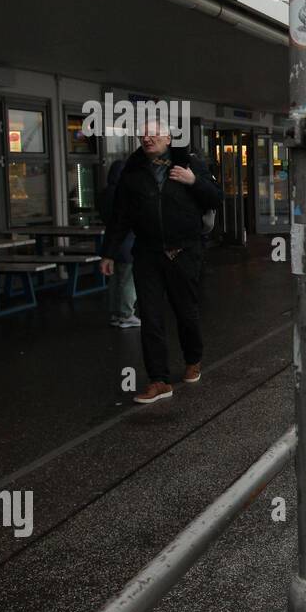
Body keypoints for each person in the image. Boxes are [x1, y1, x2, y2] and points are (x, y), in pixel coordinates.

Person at [99, 122, 222, 404]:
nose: (147, 137)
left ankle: (193, 360)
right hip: (148, 253)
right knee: (151, 318)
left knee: (185, 311)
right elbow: (120, 216)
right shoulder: (133, 171)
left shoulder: (189, 163)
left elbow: (216, 197)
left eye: (154, 133)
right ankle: (159, 380)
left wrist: (194, 181)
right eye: (143, 134)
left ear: (168, 138)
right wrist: (109, 253)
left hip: (184, 252)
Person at [97, 159, 139, 328]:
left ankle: (115, 313)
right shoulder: (125, 193)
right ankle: (126, 313)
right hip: (128, 241)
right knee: (128, 279)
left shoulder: (104, 193)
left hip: (110, 242)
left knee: (114, 279)